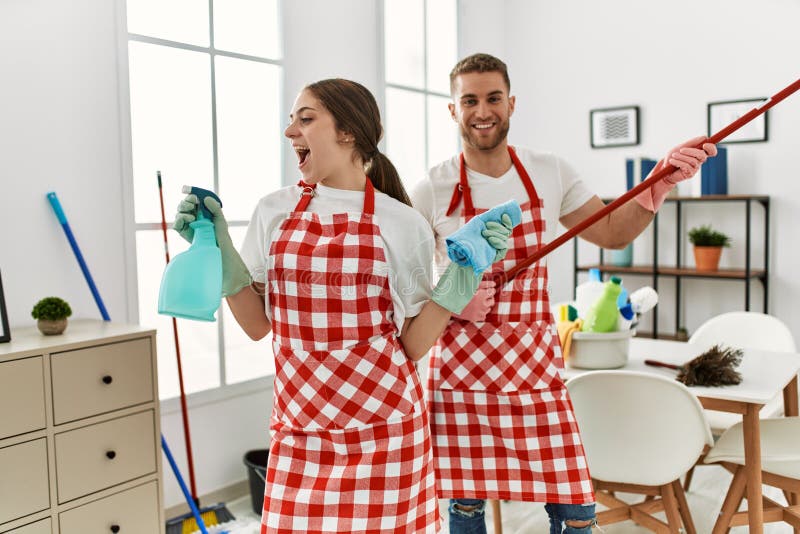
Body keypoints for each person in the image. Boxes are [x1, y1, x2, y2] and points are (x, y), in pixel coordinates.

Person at [174, 78, 513, 533]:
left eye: (306, 118)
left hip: (387, 439)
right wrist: (218, 249)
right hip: (301, 435)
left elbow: (412, 346)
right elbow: (257, 325)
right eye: (291, 120)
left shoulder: (402, 222)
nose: (290, 131)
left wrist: (459, 280)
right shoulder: (273, 212)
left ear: (348, 132)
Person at [410, 53, 717, 534]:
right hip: (461, 375)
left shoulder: (549, 172)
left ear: (511, 104)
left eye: (493, 98)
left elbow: (613, 232)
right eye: (469, 100)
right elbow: (403, 281)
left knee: (576, 510)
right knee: (465, 506)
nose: (482, 111)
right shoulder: (431, 187)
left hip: (533, 371)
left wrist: (661, 181)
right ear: (453, 110)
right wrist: (452, 299)